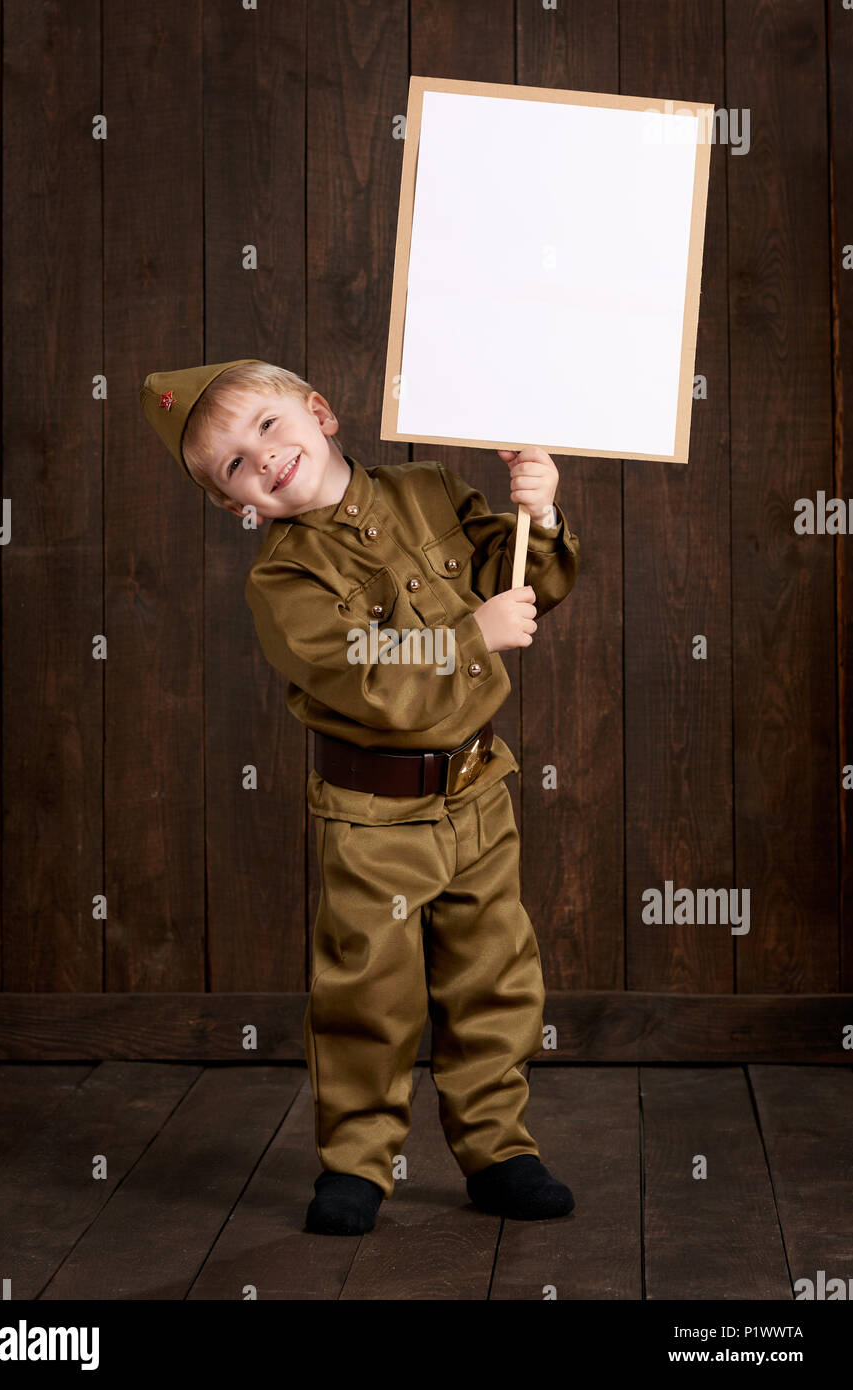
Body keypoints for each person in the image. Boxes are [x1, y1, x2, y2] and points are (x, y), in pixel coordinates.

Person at [139, 357, 582, 1236]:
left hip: (477, 794)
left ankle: (498, 1149)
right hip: (373, 816)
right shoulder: (283, 581)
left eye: (265, 427)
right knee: (369, 996)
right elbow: (359, 674)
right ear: (240, 507)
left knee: (493, 978)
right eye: (232, 464)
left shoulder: (428, 488)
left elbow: (518, 581)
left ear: (319, 412)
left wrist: (538, 509)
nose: (259, 458)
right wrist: (471, 638)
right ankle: (356, 1164)